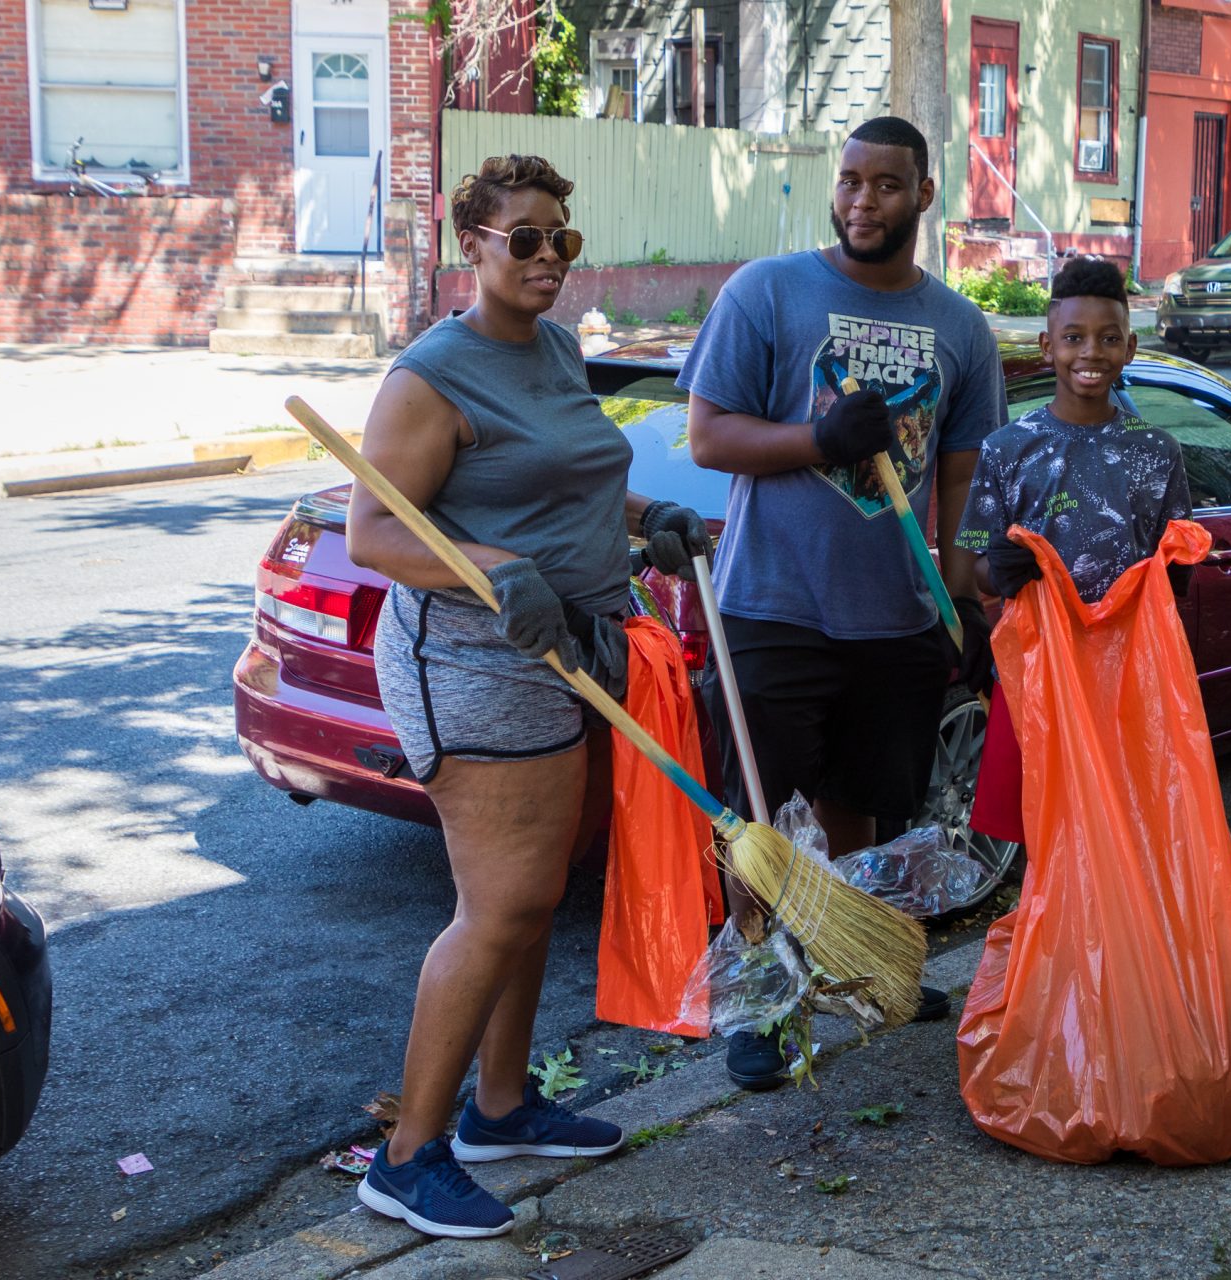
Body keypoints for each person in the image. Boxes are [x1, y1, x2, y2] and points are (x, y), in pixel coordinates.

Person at [348, 154, 712, 1238]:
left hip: (570, 651)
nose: (550, 257)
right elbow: (374, 532)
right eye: (525, 239)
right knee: (497, 903)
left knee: (535, 892)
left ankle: (502, 1106)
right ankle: (408, 1153)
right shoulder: (430, 375)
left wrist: (647, 517)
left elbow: (572, 477)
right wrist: (491, 566)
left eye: (564, 238)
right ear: (474, 245)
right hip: (472, 664)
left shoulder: (556, 346)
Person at [678, 116, 1007, 1089]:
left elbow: (960, 477)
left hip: (897, 620)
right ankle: (757, 999)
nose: (863, 201)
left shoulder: (959, 328)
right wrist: (817, 441)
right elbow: (707, 436)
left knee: (865, 813)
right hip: (773, 606)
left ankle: (851, 966)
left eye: (887, 185)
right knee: (761, 826)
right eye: (851, 182)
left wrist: (964, 603)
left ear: (925, 195)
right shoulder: (768, 292)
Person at [954, 255, 1193, 849]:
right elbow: (978, 565)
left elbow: (1178, 567)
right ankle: (1056, 938)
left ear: (1131, 347)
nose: (1091, 353)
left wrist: (1173, 577)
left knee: (1127, 824)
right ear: (1047, 345)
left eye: (1109, 338)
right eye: (1074, 338)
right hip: (1040, 668)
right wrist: (999, 570)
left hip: (1130, 671)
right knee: (1046, 825)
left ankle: (1117, 941)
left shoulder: (1157, 452)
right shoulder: (1008, 448)